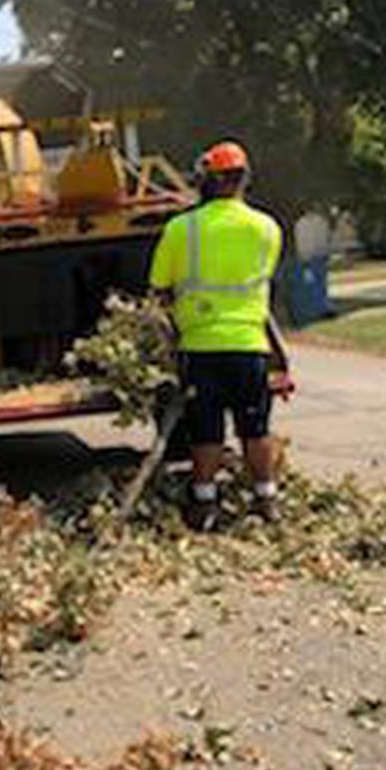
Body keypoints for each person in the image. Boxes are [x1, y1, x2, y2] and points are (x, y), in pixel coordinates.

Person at [148, 140, 287, 530]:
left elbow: (159, 290)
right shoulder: (267, 228)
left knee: (206, 429)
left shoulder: (180, 229)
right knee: (255, 427)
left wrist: (168, 338)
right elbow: (263, 284)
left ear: (206, 180)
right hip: (249, 345)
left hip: (201, 347)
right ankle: (266, 499)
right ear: (244, 181)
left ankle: (205, 503)